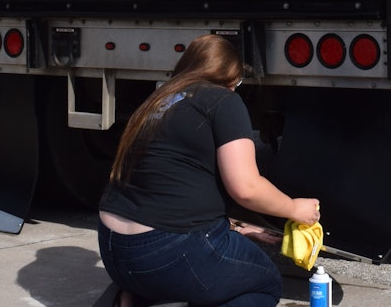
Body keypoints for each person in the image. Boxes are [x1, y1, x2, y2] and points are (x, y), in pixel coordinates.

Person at [97, 34, 320, 307]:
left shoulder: (157, 100)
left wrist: (234, 228)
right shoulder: (221, 100)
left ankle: (134, 297)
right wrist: (295, 209)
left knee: (192, 276)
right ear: (232, 76)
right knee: (264, 282)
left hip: (115, 251)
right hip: (166, 251)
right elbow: (246, 188)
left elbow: (173, 183)